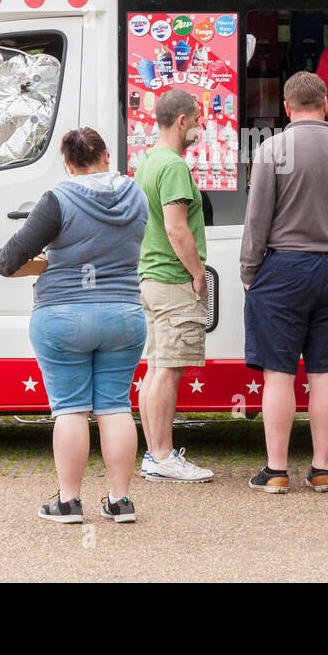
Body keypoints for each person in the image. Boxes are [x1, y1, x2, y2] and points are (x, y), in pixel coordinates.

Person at [0, 127, 148, 524]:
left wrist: (46, 262)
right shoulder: (136, 195)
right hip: (124, 315)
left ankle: (69, 502)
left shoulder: (58, 199)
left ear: (67, 163)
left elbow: (7, 260)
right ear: (107, 156)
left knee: (71, 411)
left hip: (64, 317)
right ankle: (120, 501)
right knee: (114, 407)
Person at [241, 72, 328, 493]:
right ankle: (321, 469)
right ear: (325, 103)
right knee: (325, 373)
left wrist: (250, 271)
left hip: (283, 269)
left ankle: (276, 470)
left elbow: (257, 219)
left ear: (287, 107)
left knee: (278, 373)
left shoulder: (272, 150)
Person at [134, 88, 214, 483]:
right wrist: (198, 272)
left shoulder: (148, 160)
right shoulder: (174, 167)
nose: (200, 126)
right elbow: (176, 227)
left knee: (155, 368)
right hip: (172, 279)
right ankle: (163, 455)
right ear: (182, 120)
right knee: (167, 370)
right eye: (197, 119)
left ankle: (154, 453)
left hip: (150, 277)